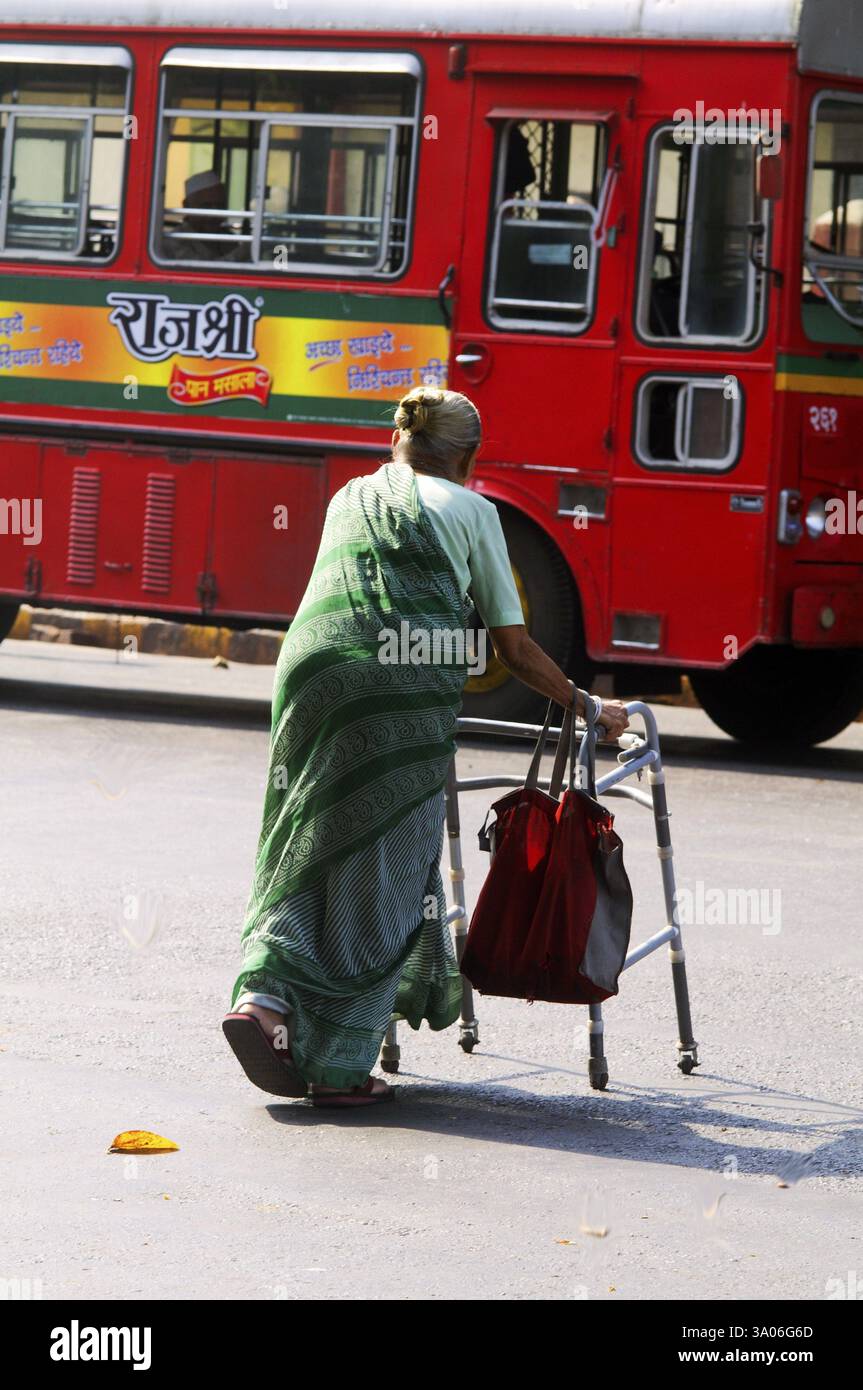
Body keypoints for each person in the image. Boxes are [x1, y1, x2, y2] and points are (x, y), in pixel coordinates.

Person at [222, 387, 629, 1108]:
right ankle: (337, 1065)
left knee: (303, 838)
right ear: (466, 457)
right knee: (384, 861)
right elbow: (514, 647)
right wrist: (588, 706)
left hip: (309, 675)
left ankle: (264, 1001)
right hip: (395, 690)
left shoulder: (352, 495)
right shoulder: (473, 510)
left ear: (397, 441)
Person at [166, 170, 247, 262]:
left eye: (219, 206)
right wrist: (245, 251)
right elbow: (204, 271)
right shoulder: (175, 240)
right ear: (187, 206)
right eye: (206, 206)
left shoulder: (227, 238)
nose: (214, 214)